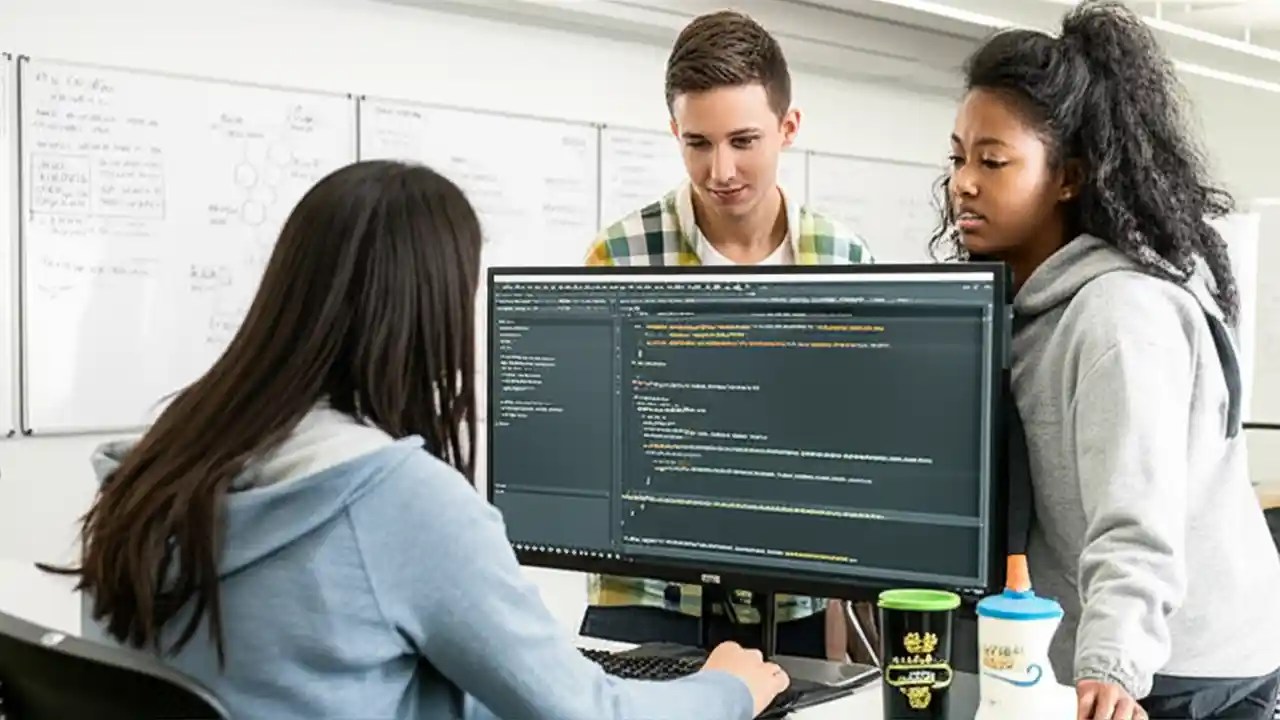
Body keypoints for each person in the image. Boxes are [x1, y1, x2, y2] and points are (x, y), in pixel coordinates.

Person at [47, 160, 790, 720]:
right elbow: (590, 715)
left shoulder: (154, 473)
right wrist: (730, 686)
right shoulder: (395, 499)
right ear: (420, 315)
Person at [930, 2, 1280, 719]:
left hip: (1181, 665)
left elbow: (1135, 516)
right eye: (959, 157)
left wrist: (1114, 663)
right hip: (1113, 654)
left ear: (1069, 177)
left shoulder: (1119, 315)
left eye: (993, 161)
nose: (964, 181)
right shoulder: (1021, 307)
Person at [581, 10, 875, 664]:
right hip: (648, 590)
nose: (721, 170)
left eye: (743, 140)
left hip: (788, 592)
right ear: (675, 132)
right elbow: (588, 438)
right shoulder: (621, 255)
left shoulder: (843, 260)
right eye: (698, 143)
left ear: (787, 127)